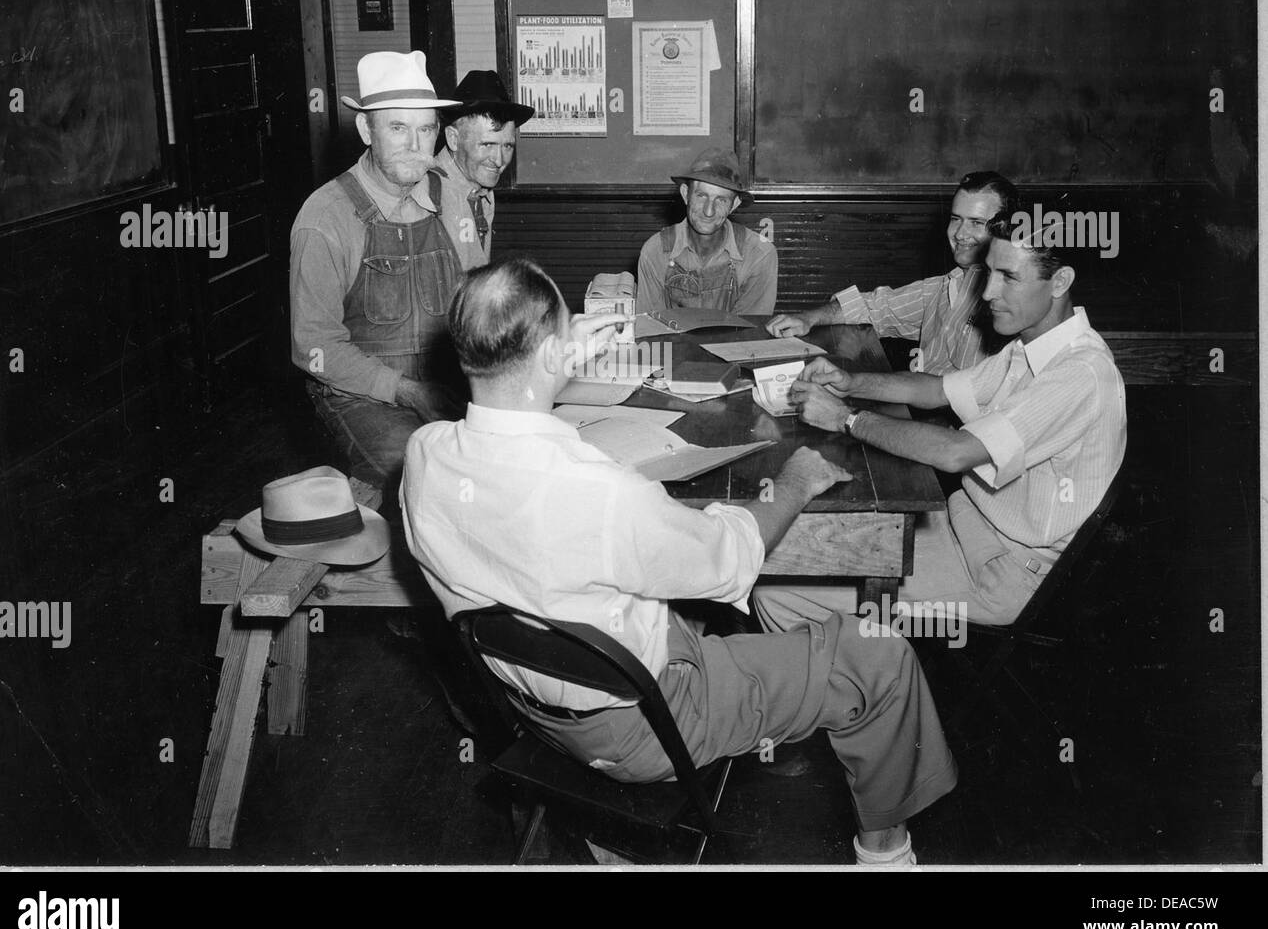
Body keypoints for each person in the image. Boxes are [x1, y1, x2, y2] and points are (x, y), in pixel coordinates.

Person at [401, 257, 957, 866]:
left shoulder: (424, 458)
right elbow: (731, 559)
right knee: (880, 655)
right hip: (643, 729)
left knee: (672, 611)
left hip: (527, 711)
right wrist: (795, 483)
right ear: (552, 354)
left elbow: (518, 448)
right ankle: (888, 856)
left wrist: (556, 361)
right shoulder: (601, 493)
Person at [761, 213, 1126, 630]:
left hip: (1003, 572)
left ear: (1059, 282)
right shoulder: (1028, 348)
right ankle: (864, 670)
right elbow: (937, 390)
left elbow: (955, 453)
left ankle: (871, 682)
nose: (988, 292)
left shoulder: (1079, 372)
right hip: (966, 524)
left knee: (777, 591)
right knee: (780, 551)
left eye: (1008, 277)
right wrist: (851, 381)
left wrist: (845, 418)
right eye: (989, 273)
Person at [289, 50, 463, 497]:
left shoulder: (451, 199)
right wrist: (406, 391)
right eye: (398, 127)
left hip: (444, 385)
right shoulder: (325, 217)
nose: (414, 144)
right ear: (366, 129)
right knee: (426, 483)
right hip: (360, 396)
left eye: (426, 129)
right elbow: (315, 349)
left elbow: (475, 304)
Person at [767, 171, 1019, 374]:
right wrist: (809, 318)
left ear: (1005, 228)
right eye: (956, 219)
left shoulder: (1012, 304)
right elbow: (877, 306)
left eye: (976, 223)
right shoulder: (946, 285)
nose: (961, 234)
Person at [636, 148, 778, 316]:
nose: (708, 211)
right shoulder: (655, 251)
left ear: (734, 205)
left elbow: (750, 332)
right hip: (671, 342)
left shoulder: (759, 254)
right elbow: (651, 327)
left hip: (735, 342)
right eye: (701, 196)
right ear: (685, 194)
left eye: (721, 200)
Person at [432, 70, 534, 271]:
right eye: (487, 144)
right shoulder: (428, 192)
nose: (498, 160)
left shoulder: (481, 188)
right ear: (453, 139)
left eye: (507, 146)